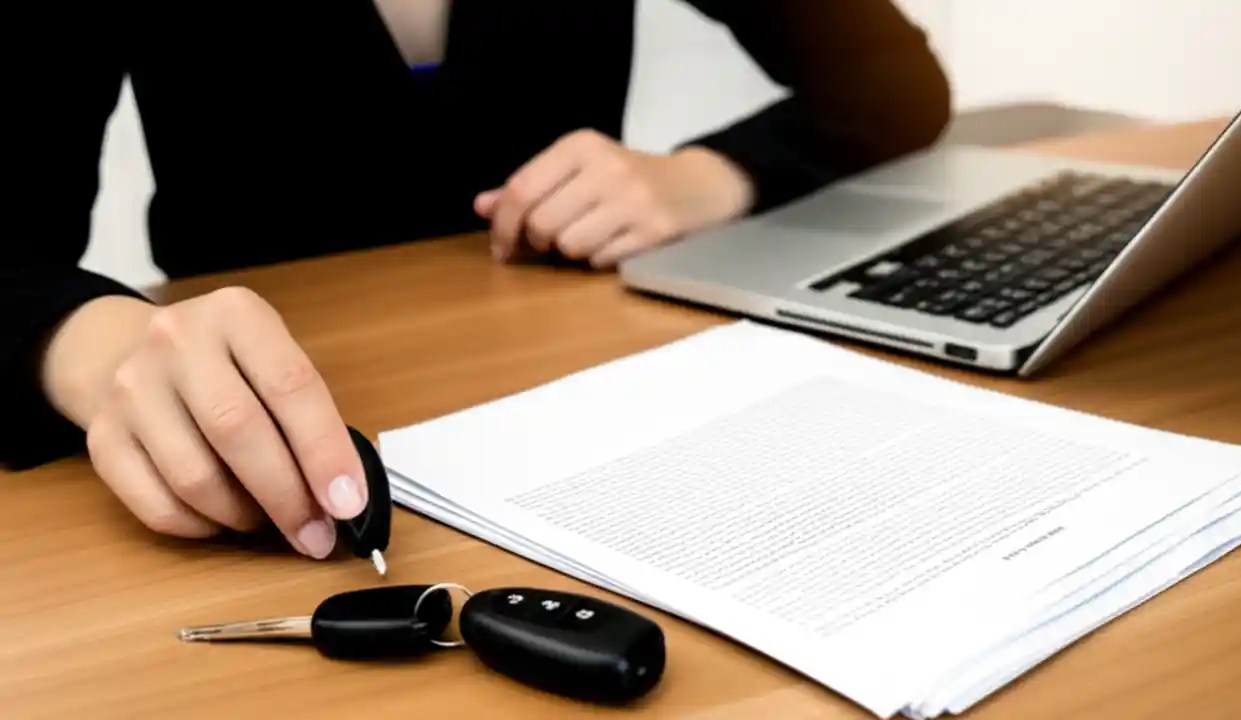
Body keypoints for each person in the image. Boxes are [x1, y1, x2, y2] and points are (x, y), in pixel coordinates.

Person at [2, 1, 951, 559]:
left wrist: (705, 175)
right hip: (251, 449)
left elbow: (893, 78)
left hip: (598, 422)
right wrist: (87, 343)